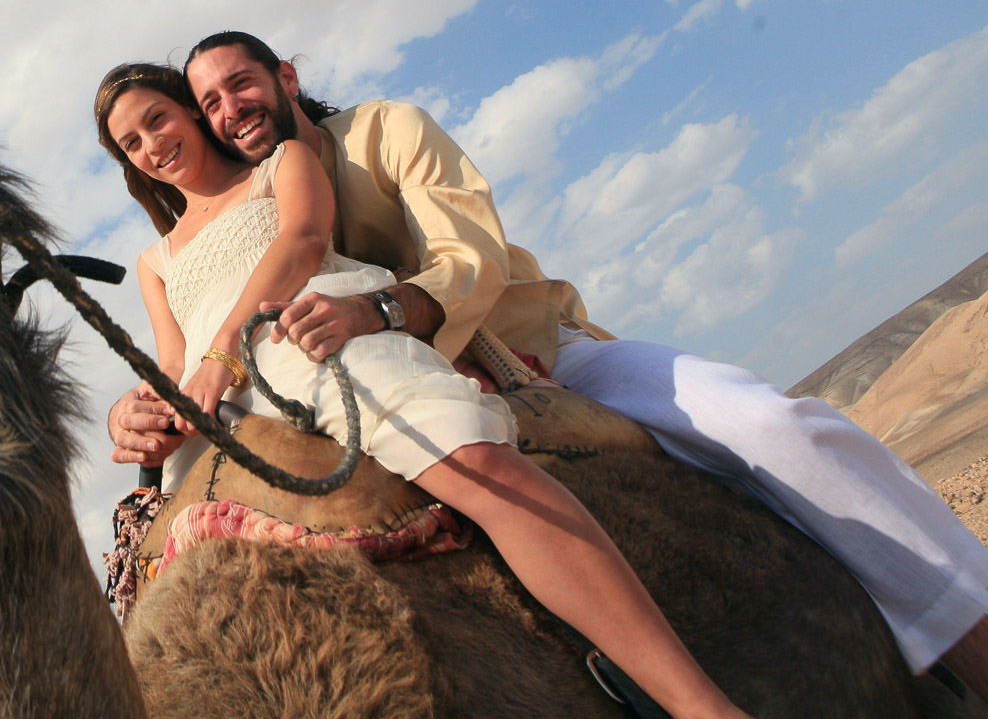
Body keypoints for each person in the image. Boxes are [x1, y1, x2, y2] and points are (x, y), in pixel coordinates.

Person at [108, 32, 988, 719]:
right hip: (318, 395)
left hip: (532, 356)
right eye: (213, 99)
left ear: (283, 77)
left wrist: (376, 311)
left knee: (777, 433)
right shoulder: (198, 231)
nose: (230, 108)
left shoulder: (378, 134)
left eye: (239, 86)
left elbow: (469, 256)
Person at [96, 62, 753, 719]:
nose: (152, 145)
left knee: (479, 467)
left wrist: (224, 352)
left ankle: (701, 705)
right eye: (131, 142)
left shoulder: (280, 164)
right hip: (223, 400)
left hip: (306, 335)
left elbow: (302, 241)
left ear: (189, 112)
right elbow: (173, 363)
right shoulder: (155, 261)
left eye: (158, 118)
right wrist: (137, 413)